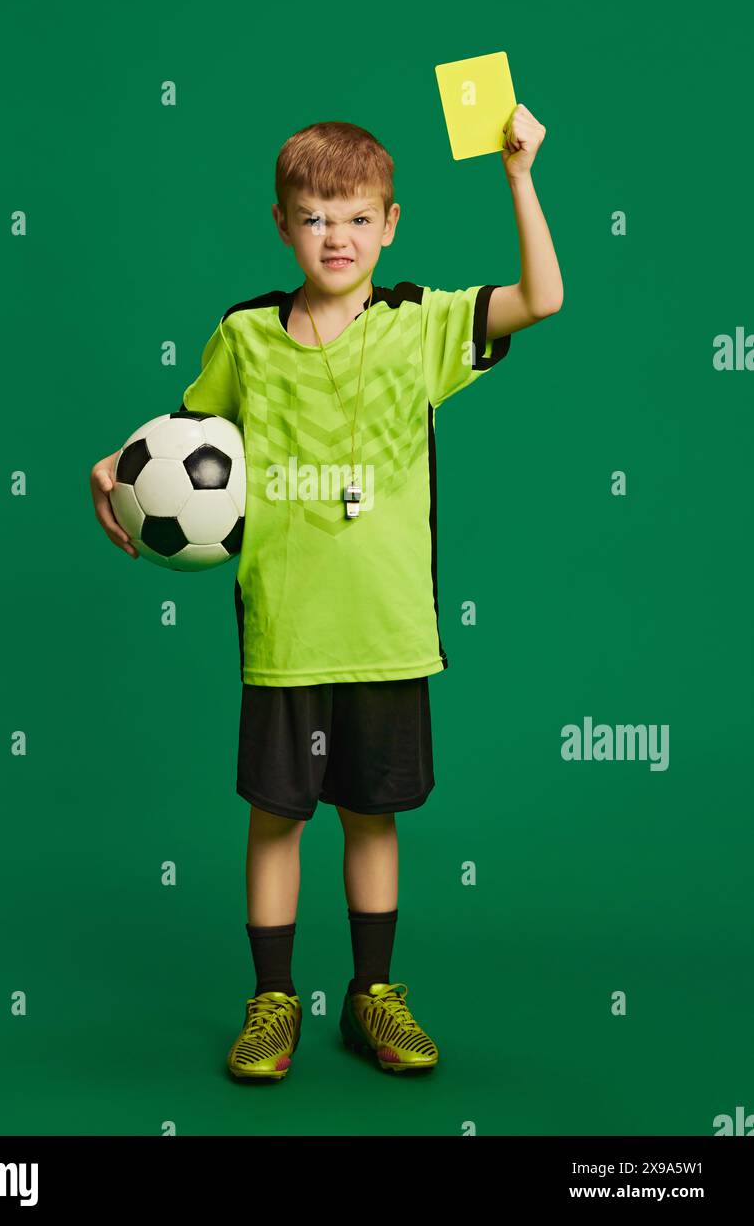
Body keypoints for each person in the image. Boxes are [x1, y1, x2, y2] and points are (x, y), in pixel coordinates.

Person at [90, 111, 563, 1080]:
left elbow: (543, 298)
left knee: (371, 817)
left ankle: (371, 996)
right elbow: (184, 440)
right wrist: (119, 462)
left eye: (354, 217)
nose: (335, 236)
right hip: (286, 631)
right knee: (276, 819)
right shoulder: (247, 335)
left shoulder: (421, 323)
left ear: (391, 222)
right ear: (281, 224)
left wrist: (520, 174)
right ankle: (272, 1002)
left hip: (388, 631)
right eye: (313, 218)